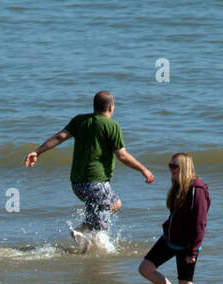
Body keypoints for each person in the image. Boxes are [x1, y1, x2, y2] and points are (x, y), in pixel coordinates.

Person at [24, 90, 154, 248]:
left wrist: (38, 151)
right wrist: (143, 170)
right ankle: (95, 246)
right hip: (96, 183)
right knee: (101, 225)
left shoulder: (79, 120)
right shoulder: (111, 125)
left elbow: (59, 137)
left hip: (77, 184)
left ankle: (83, 230)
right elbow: (123, 156)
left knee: (115, 204)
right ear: (111, 107)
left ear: (94, 106)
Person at [138, 152, 210, 284]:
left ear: (184, 167)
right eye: (169, 165)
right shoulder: (179, 186)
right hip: (170, 239)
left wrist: (192, 251)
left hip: (187, 245)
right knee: (145, 268)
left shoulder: (196, 190)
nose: (171, 169)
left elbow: (200, 224)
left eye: (174, 166)